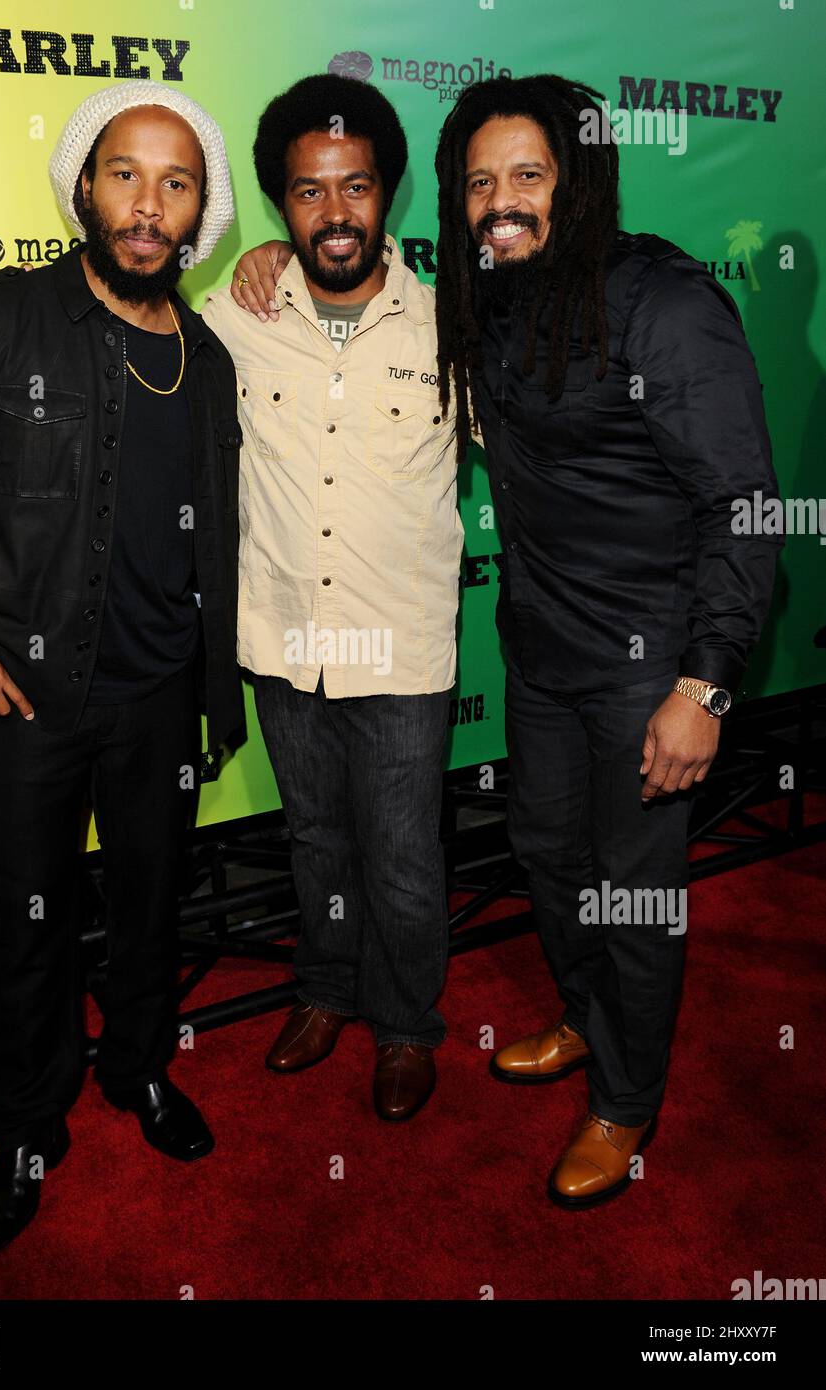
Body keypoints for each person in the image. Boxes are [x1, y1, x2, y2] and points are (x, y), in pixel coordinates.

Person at [0, 80, 244, 1251]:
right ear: (82, 185)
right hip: (30, 700)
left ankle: (140, 1070)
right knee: (31, 924)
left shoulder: (208, 359)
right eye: (125, 174)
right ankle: (26, 1126)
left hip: (163, 697)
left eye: (176, 183)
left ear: (200, 212)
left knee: (151, 906)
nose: (148, 203)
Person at [432, 73, 783, 1206]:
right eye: (477, 181)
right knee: (545, 854)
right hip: (538, 651)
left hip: (649, 668)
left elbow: (744, 505)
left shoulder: (662, 304)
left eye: (526, 174)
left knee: (633, 895)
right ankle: (586, 1020)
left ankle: (626, 1099)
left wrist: (705, 686)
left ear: (577, 181)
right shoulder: (486, 297)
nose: (499, 200)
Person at [201, 73, 465, 1121]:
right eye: (308, 192)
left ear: (387, 191)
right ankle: (324, 989)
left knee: (400, 854)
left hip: (398, 651)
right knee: (314, 836)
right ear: (281, 205)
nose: (334, 211)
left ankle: (405, 1026)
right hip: (284, 639)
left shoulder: (450, 328)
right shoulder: (235, 315)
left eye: (354, 186)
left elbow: (544, 456)